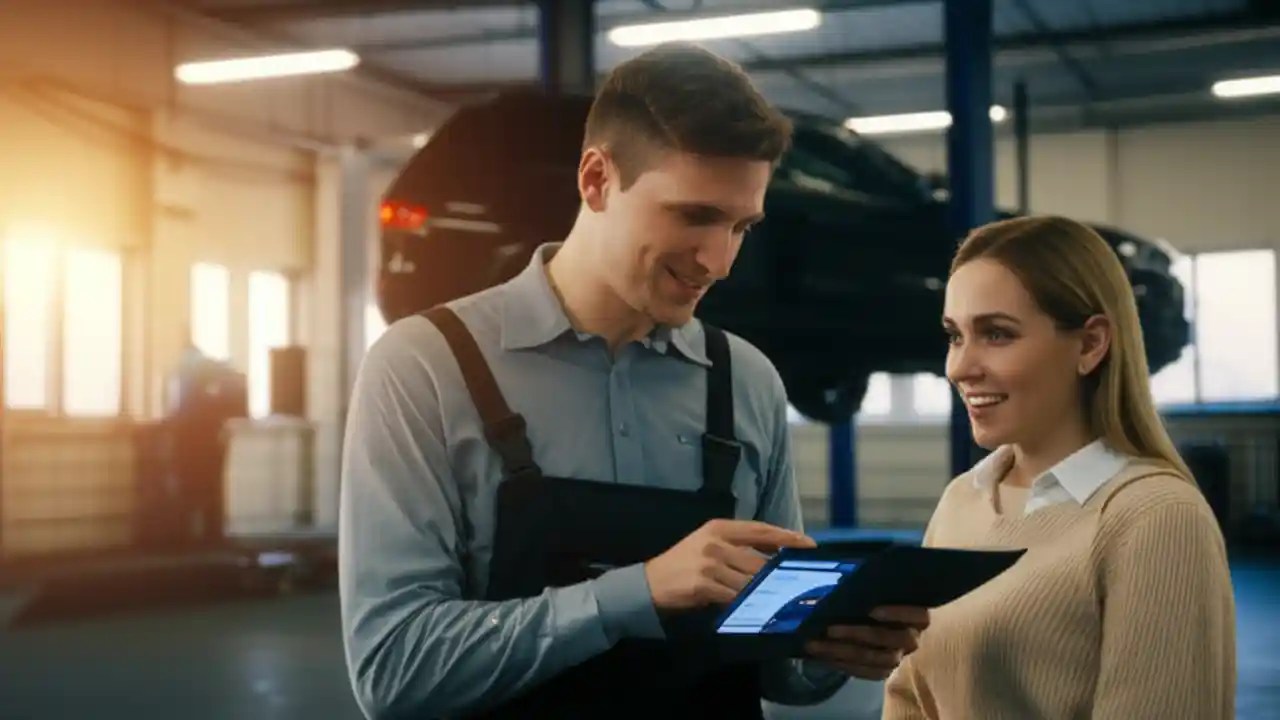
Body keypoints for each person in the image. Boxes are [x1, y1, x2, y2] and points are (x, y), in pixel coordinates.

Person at [339, 42, 929, 720]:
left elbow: (773, 662)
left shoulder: (745, 380)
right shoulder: (423, 368)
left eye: (741, 226)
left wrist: (830, 651)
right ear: (596, 180)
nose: (720, 261)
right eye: (694, 216)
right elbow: (394, 669)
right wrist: (638, 593)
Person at [882, 215, 1237, 719]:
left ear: (1091, 344)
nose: (959, 367)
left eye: (997, 334)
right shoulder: (964, 500)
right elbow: (908, 700)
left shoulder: (1155, 517)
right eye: (955, 336)